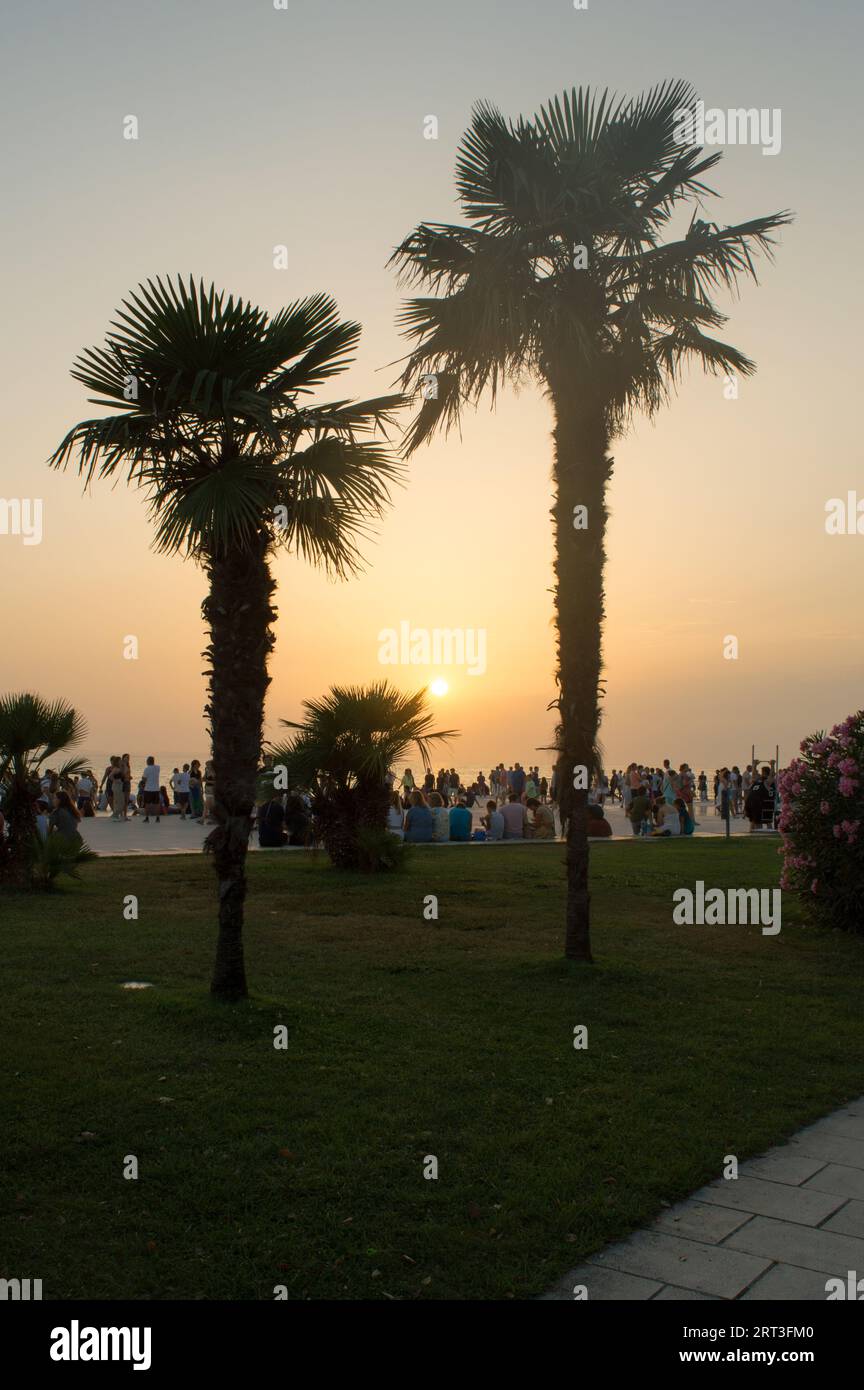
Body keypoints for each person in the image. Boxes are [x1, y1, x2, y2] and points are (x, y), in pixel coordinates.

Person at [141, 755, 162, 823]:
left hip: (148, 789)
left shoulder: (147, 769)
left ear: (148, 761)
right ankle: (157, 818)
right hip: (156, 789)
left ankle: (147, 818)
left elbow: (144, 779)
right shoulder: (158, 768)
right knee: (156, 804)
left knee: (147, 804)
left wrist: (143, 779)